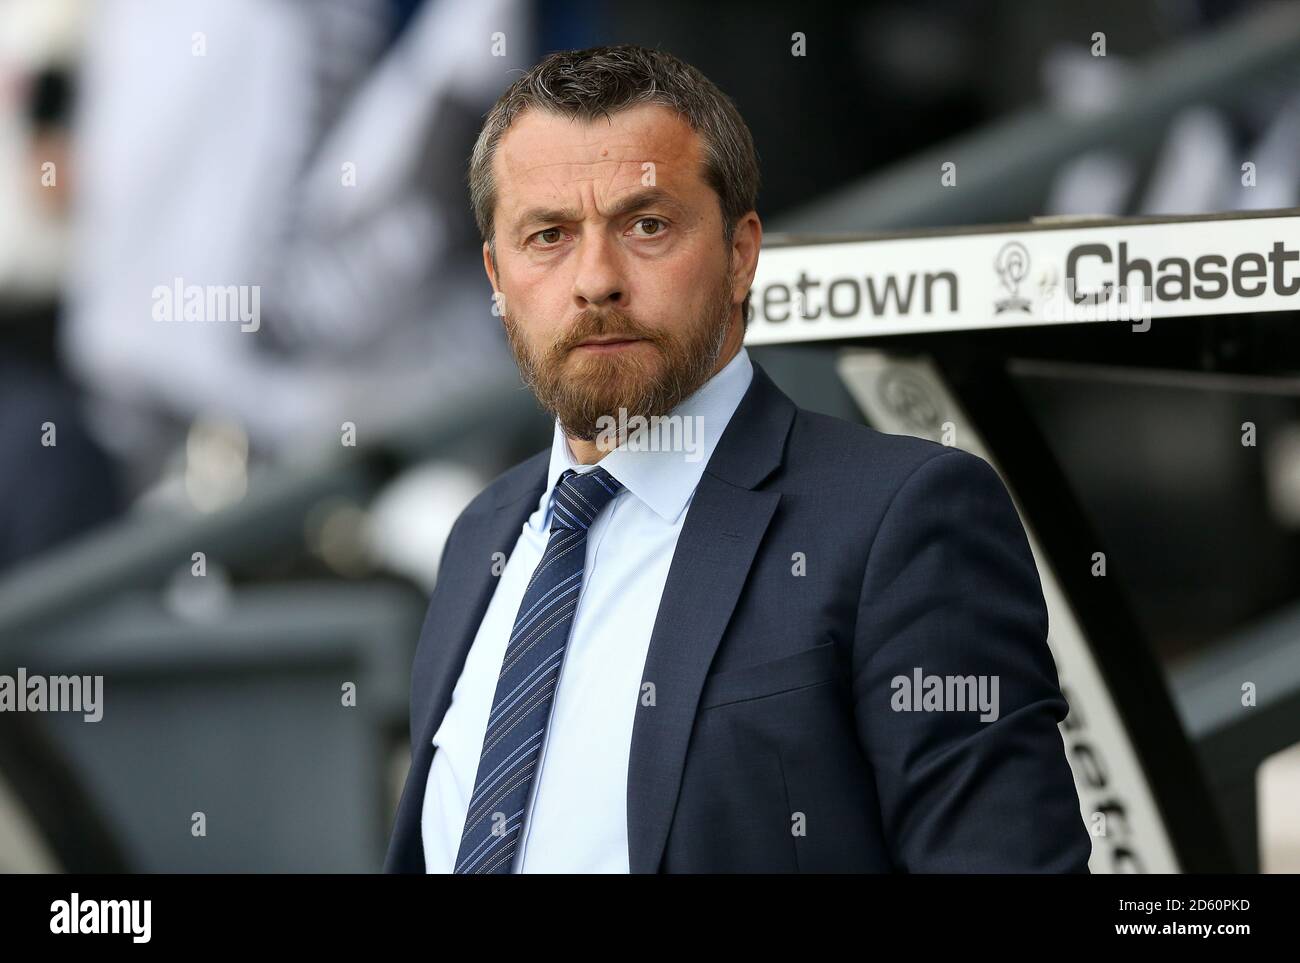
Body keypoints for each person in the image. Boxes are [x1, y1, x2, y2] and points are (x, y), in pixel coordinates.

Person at [385, 44, 1091, 874]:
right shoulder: (482, 538)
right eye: (548, 235)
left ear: (741, 253)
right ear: (497, 277)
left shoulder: (901, 518)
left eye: (646, 224)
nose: (596, 279)